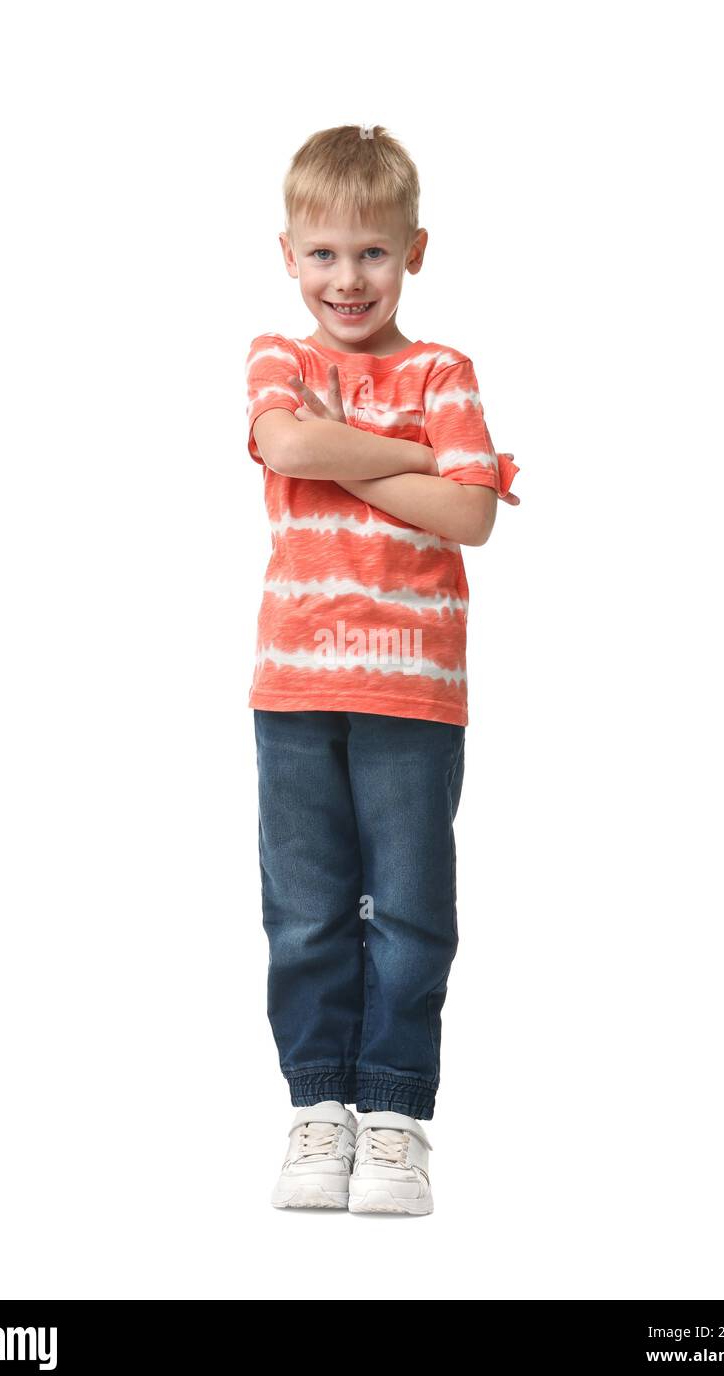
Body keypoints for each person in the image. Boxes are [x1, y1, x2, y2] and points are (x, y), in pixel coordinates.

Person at [244, 123, 520, 1215]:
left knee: (410, 907)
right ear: (287, 253)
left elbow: (472, 515)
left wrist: (442, 471)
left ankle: (394, 1113)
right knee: (305, 909)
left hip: (414, 688)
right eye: (323, 253)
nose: (346, 278)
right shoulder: (281, 359)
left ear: (414, 249)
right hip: (295, 682)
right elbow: (292, 446)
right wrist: (418, 454)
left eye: (371, 252)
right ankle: (319, 1107)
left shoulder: (443, 368)